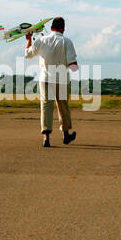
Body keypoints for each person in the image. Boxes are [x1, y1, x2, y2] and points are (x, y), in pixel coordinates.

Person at [25, 16, 78, 147]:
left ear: (51, 27)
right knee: (63, 106)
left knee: (46, 106)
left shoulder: (41, 40)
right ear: (63, 28)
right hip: (62, 79)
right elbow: (73, 64)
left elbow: (28, 54)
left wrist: (29, 40)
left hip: (45, 78)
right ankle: (65, 135)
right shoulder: (67, 42)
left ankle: (46, 138)